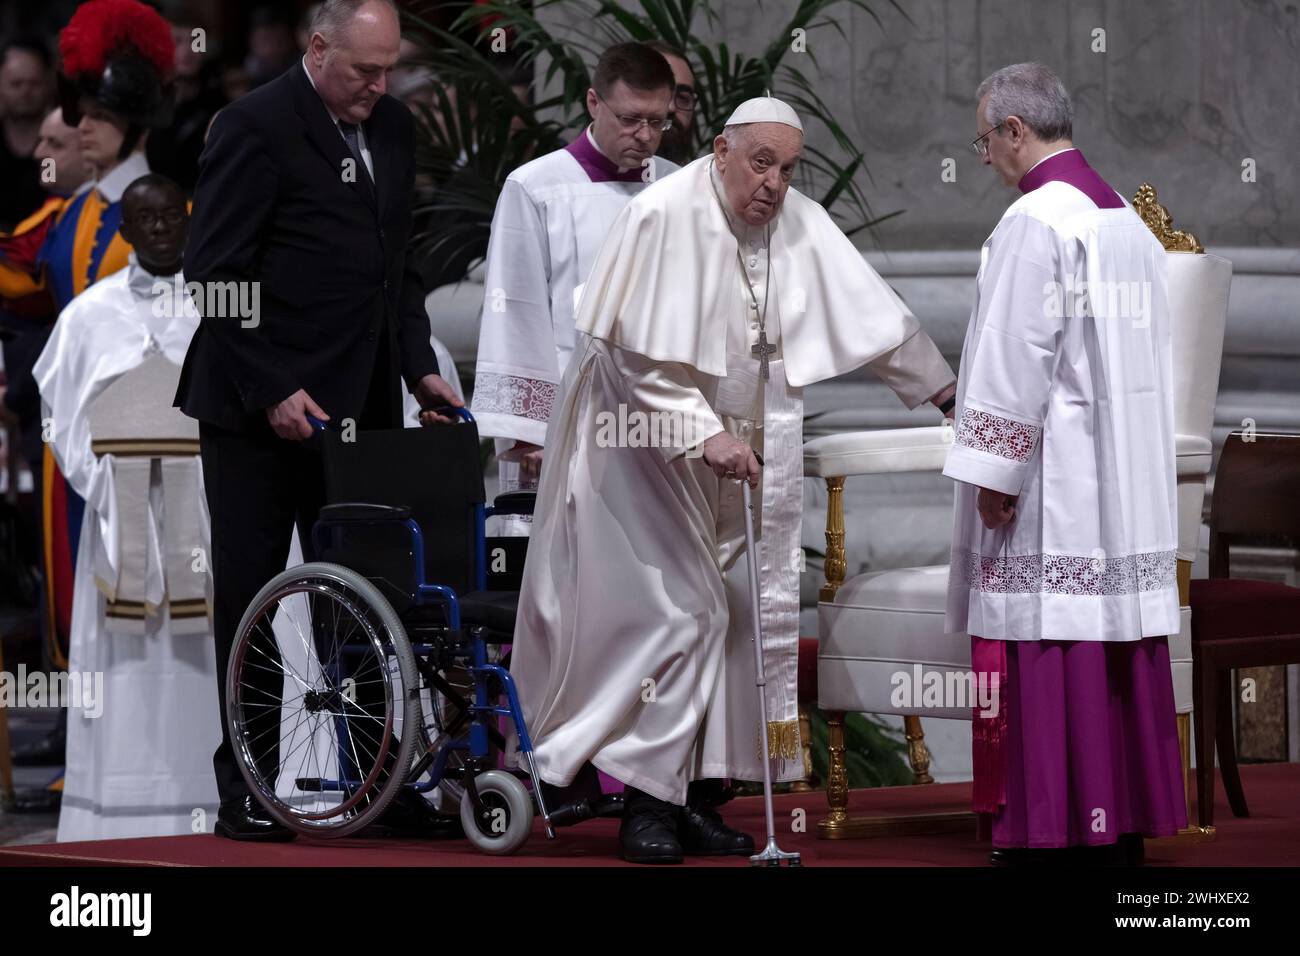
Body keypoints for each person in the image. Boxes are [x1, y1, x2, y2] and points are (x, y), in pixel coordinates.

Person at [510, 96, 957, 863]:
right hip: (639, 450)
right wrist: (701, 431)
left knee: (739, 617)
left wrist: (948, 393)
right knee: (680, 615)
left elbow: (879, 319)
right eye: (761, 163)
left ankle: (694, 797)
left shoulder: (794, 223)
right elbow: (632, 355)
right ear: (720, 150)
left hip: (740, 456)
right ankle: (643, 805)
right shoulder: (663, 217)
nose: (775, 184)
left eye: (787, 169)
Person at [175, 0, 462, 842]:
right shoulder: (253, 125)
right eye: (364, 70)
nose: (380, 85)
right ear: (317, 48)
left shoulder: (396, 125)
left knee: (368, 600)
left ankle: (379, 783)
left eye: (388, 68)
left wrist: (420, 369)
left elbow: (395, 270)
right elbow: (214, 275)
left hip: (361, 408)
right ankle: (248, 791)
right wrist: (272, 387)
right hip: (254, 412)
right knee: (255, 595)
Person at [945, 62, 1186, 866]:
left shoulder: (1036, 221)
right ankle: (1114, 826)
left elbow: (1018, 358)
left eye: (986, 142)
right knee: (1110, 643)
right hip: (1118, 480)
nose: (985, 160)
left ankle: (1051, 831)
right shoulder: (1124, 220)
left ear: (1017, 130)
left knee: (1053, 641)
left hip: (1059, 484)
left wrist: (995, 474)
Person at [34, 173, 220, 840]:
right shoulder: (87, 315)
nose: (163, 229)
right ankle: (119, 815)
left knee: (207, 657)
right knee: (128, 668)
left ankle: (219, 799)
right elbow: (58, 415)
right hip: (122, 517)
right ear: (126, 231)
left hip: (207, 508)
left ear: (189, 220)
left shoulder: (220, 302)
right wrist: (113, 489)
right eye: (149, 219)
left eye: (173, 216)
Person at [470, 41, 677, 524]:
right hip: (565, 419)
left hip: (654, 415)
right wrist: (529, 431)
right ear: (593, 103)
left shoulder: (676, 186)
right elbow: (515, 309)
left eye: (658, 121)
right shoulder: (536, 187)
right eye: (629, 119)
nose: (644, 135)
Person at [0, 37, 54, 231]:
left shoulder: (56, 144)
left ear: (48, 83)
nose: (25, 92)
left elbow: (54, 190)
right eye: (16, 84)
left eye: (34, 83)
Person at [646, 40, 697, 165]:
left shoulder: (705, 183)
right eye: (658, 92)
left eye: (683, 98)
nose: (671, 108)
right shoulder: (590, 181)